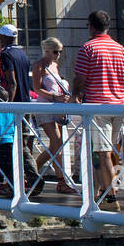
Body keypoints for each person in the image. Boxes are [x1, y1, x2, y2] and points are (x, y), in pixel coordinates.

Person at [72, 10, 124, 207]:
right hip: (121, 106)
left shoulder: (88, 48)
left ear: (91, 26)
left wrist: (74, 94)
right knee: (112, 151)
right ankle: (106, 188)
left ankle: (110, 196)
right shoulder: (121, 49)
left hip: (98, 106)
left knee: (102, 153)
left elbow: (80, 79)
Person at [31, 37, 75, 194]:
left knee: (56, 146)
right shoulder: (39, 66)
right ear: (47, 51)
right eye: (56, 52)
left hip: (57, 107)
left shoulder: (55, 66)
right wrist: (55, 97)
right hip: (45, 106)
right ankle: (58, 180)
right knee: (57, 142)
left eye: (60, 52)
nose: (58, 55)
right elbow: (37, 89)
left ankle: (33, 171)